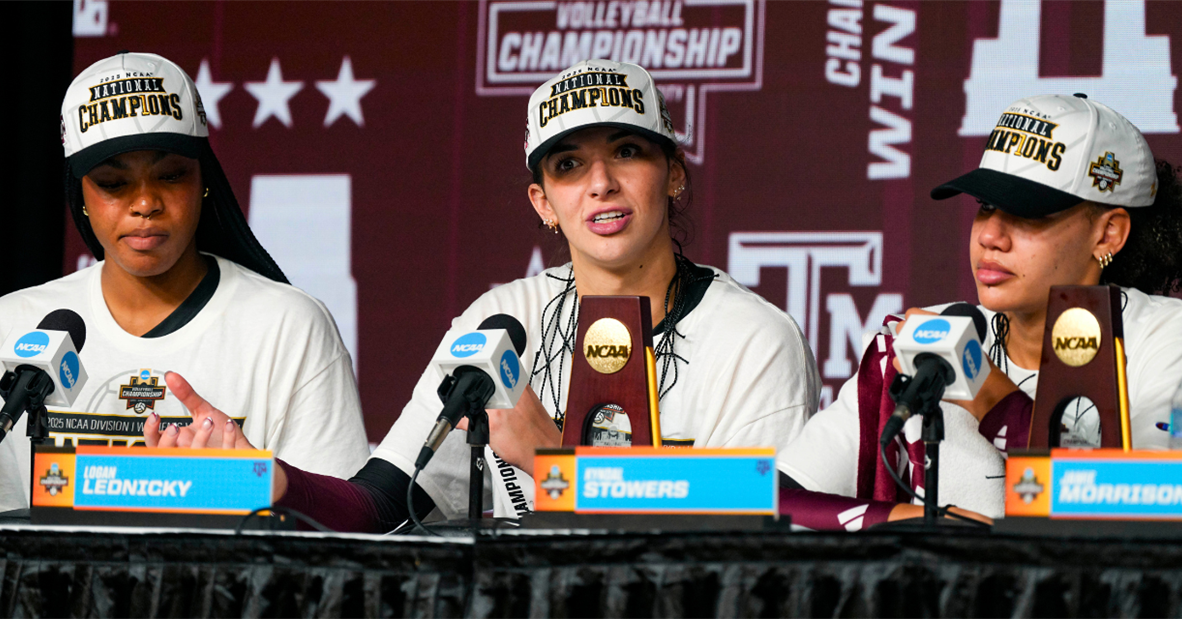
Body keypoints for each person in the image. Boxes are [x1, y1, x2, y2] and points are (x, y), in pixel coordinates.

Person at [149, 59, 822, 529]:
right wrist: (270, 480)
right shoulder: (501, 321)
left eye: (626, 151)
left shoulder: (754, 339)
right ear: (543, 203)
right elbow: (380, 506)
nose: (600, 183)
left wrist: (554, 465)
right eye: (568, 165)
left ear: (673, 173)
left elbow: (756, 545)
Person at [777, 94, 1182, 530]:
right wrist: (917, 522)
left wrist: (987, 393)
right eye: (986, 206)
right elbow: (757, 498)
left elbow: (1147, 507)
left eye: (1027, 213)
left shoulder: (1166, 340)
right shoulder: (923, 341)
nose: (990, 236)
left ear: (1108, 234)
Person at [0, 52, 369, 511]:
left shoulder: (288, 327)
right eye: (114, 183)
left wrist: (242, 484)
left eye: (171, 176)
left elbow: (341, 525)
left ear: (204, 181)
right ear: (80, 197)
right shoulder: (13, 324)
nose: (145, 203)